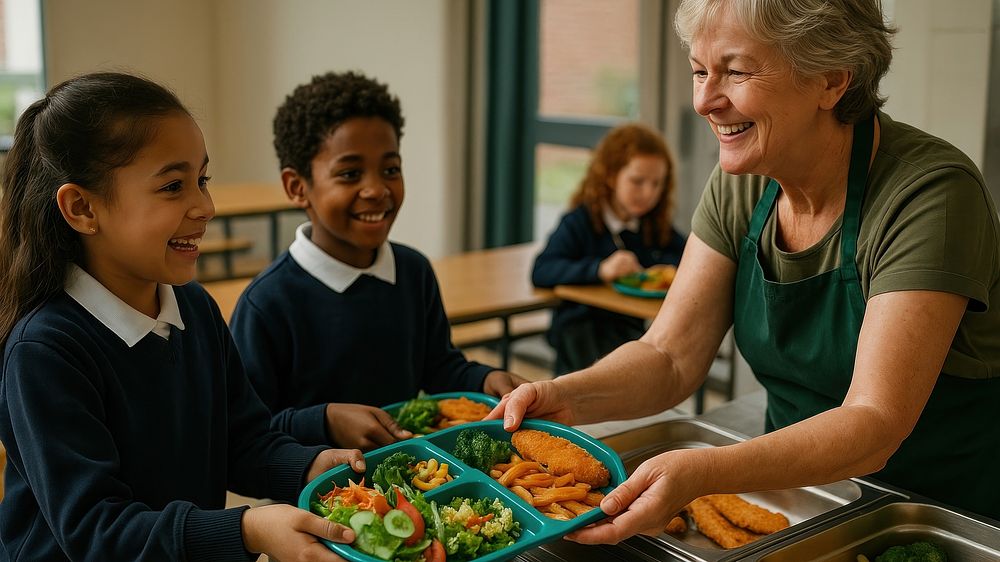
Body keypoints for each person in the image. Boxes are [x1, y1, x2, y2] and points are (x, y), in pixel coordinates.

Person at [490, 0, 1000, 544]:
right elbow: (669, 356)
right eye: (698, 70)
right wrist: (567, 395)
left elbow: (875, 421)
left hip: (935, 514)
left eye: (735, 71)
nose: (704, 100)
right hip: (798, 495)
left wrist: (704, 470)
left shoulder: (929, 196)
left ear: (831, 79)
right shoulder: (744, 181)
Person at [0, 72, 364, 561]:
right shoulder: (45, 351)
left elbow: (241, 438)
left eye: (202, 180)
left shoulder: (194, 308)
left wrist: (309, 465)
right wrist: (247, 529)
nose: (206, 206)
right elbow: (95, 530)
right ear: (82, 207)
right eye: (173, 186)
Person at [230, 71, 526, 451]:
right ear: (297, 187)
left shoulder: (413, 271)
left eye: (390, 169)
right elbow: (247, 433)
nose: (376, 190)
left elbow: (438, 368)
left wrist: (484, 380)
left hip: (410, 474)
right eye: (350, 174)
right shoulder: (267, 303)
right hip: (313, 495)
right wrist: (324, 421)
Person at [531, 123, 686, 374]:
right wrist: (599, 269)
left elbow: (691, 256)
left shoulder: (652, 225)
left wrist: (664, 269)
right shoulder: (580, 221)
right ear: (611, 177)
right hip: (579, 329)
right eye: (637, 181)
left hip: (625, 327)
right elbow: (542, 270)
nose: (648, 192)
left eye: (657, 184)